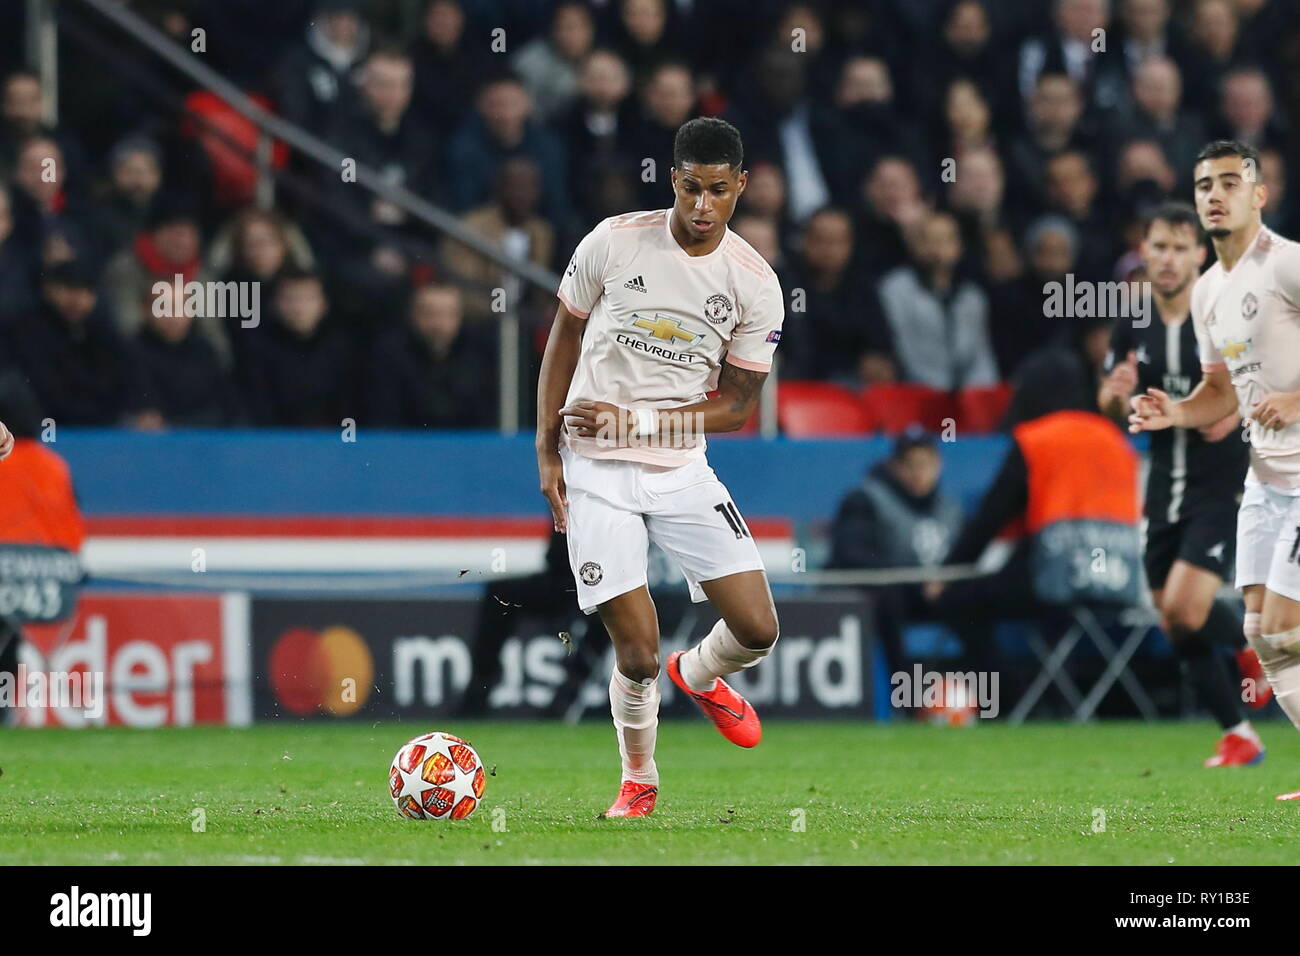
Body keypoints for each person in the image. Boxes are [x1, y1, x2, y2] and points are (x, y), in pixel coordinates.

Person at [535, 117, 782, 817]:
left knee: (758, 631)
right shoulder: (613, 242)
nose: (703, 207)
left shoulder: (754, 283)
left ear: (742, 187)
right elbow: (564, 336)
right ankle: (639, 778)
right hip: (595, 470)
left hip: (680, 468)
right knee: (636, 652)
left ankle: (700, 673)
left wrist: (637, 420)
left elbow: (736, 407)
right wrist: (546, 449)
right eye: (692, 189)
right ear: (672, 180)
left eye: (719, 192)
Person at [1129, 140, 1300, 800]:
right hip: (1265, 483)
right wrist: (1173, 412)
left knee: (1285, 625)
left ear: (1259, 195)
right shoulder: (1209, 293)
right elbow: (1220, 393)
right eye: (1205, 185)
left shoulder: (1285, 266)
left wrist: (1292, 397)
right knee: (1260, 631)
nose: (1215, 194)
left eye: (1231, 181)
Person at [1099, 201, 1263, 766]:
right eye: (1158, 247)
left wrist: (1229, 410)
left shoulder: (1222, 317)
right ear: (1144, 252)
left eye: (1179, 247)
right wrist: (1117, 392)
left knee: (1186, 609)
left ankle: (1253, 647)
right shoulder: (1131, 322)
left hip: (1220, 487)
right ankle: (1239, 733)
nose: (1167, 259)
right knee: (1171, 619)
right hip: (1162, 487)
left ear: (1199, 254)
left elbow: (1258, 387)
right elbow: (1106, 400)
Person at [828, 430, 963, 677]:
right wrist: (914, 581)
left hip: (936, 594)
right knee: (889, 601)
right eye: (911, 465)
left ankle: (997, 697)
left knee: (973, 602)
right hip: (889, 596)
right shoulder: (866, 499)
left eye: (927, 465)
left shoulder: (950, 507)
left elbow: (963, 554)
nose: (919, 474)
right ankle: (907, 698)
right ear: (895, 467)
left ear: (939, 465)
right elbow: (851, 554)